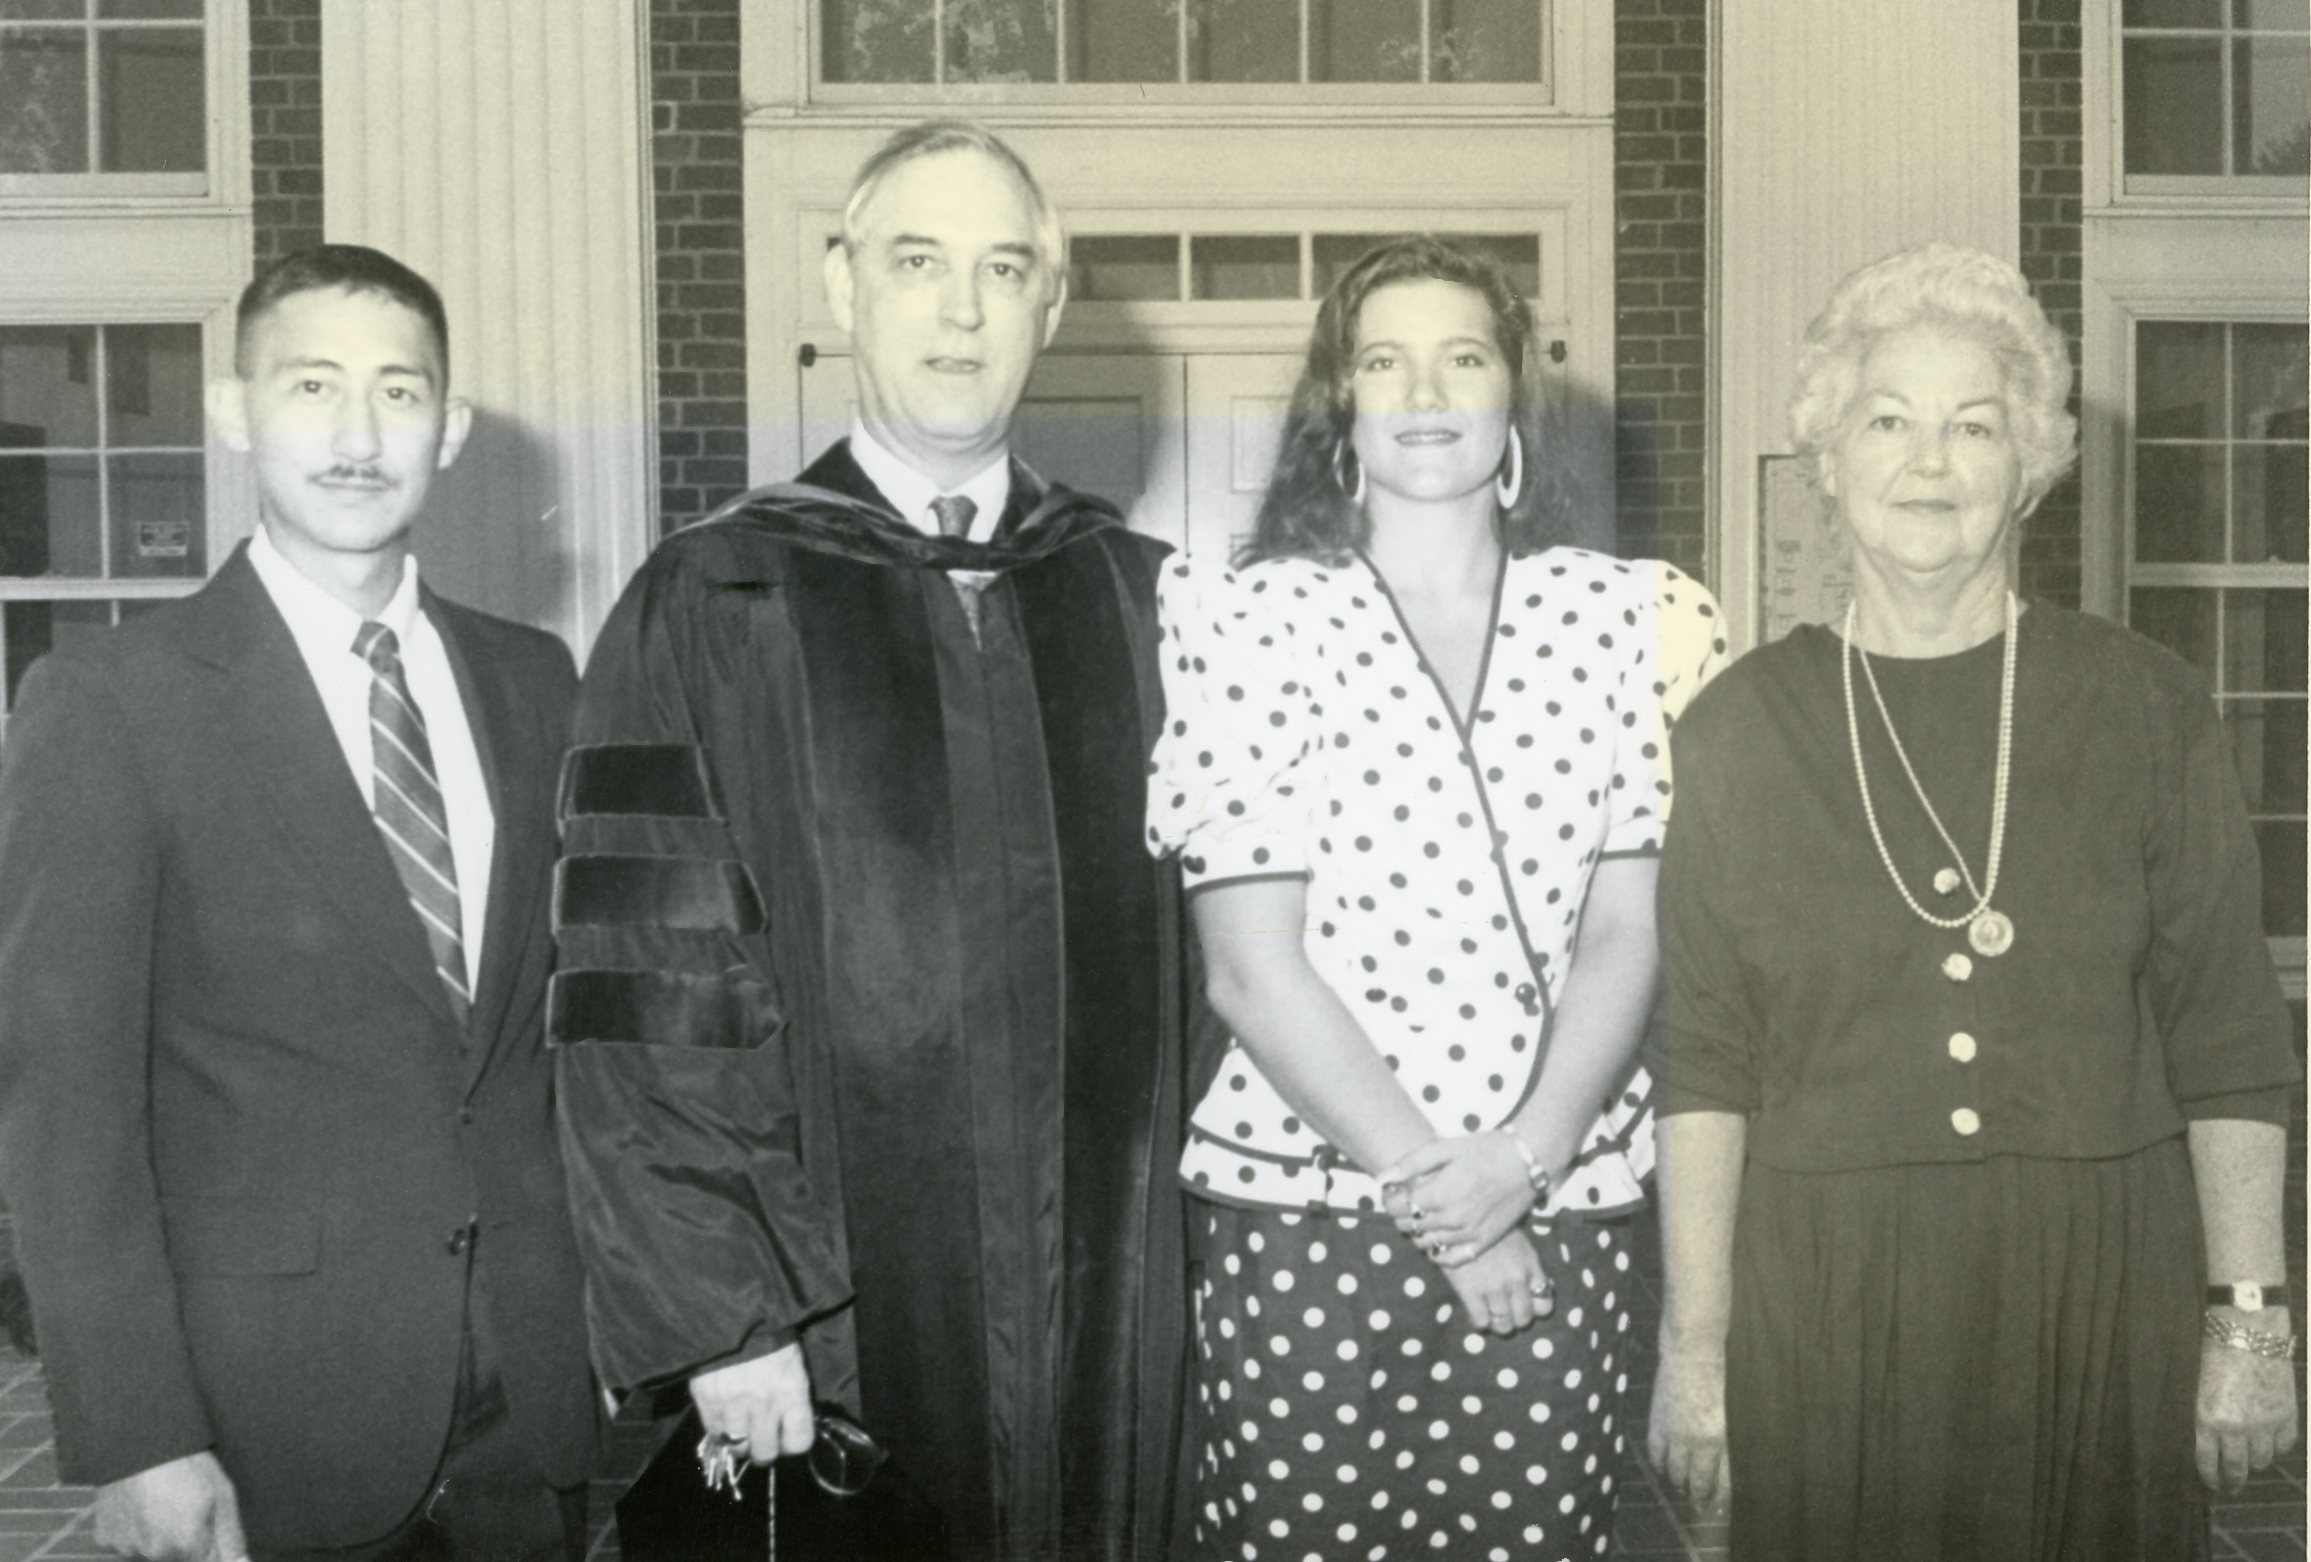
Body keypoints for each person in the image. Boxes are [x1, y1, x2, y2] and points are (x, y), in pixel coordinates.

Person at [550, 119, 1189, 1560]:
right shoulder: (712, 601)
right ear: (843, 285)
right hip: (824, 1338)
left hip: (1120, 1332)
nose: (963, 309)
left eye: (1002, 267)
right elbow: (640, 1010)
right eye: (917, 262)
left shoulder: (1150, 604)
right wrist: (726, 1319)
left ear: (1053, 303)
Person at [1646, 242, 2301, 1559]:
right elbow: (1705, 1063)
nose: (1929, 462)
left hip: (2098, 1284)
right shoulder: (1737, 729)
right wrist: (1694, 1346)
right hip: (1821, 1289)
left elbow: (2229, 1040)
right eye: (1887, 420)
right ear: (1825, 458)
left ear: (2036, 464)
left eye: (1974, 425)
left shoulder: (2147, 705)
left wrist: (2248, 1315)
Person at [0, 245, 600, 1561]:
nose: (355, 433)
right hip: (266, 1421)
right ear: (236, 411)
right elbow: (64, 1118)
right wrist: (139, 1428)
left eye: (398, 392)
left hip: (535, 1414)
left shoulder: (536, 679)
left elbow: (558, 1046)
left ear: (448, 429)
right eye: (312, 384)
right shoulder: (113, 703)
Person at [1144, 235, 1728, 1562]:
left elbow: (1627, 931)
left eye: (1462, 357)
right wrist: (1450, 1208)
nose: (1423, 391)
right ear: (1337, 402)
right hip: (1307, 1216)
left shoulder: (1628, 619)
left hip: (1562, 1200)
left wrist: (1521, 1162)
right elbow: (1250, 967)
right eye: (1382, 360)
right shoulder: (1252, 620)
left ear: (1515, 397)